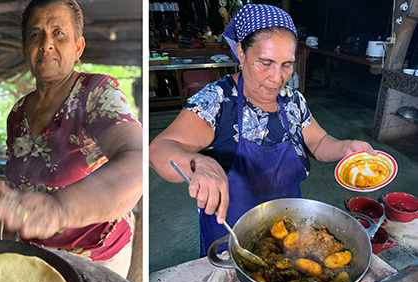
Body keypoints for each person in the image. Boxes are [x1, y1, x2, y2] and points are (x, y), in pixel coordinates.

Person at [149, 4, 376, 256]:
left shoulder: (293, 100)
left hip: (289, 234)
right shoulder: (217, 101)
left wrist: (346, 147)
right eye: (265, 62)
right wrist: (197, 163)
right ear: (241, 53)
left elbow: (319, 142)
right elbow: (160, 149)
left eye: (286, 65)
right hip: (230, 237)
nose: (276, 77)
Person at [0, 0, 143, 278]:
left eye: (58, 33)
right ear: (25, 51)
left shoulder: (95, 92)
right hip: (36, 258)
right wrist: (7, 250)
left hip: (95, 261)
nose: (46, 44)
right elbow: (17, 192)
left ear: (77, 47)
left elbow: (137, 157)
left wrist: (57, 209)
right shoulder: (17, 113)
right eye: (36, 35)